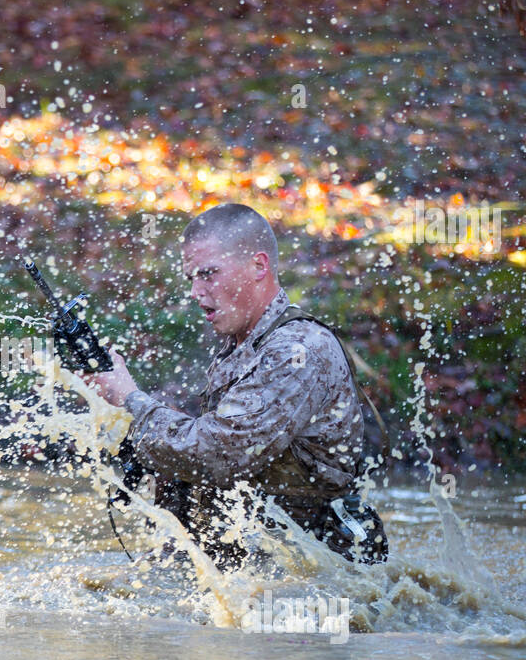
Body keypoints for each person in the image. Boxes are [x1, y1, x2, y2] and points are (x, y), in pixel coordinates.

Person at [86, 203, 387, 569]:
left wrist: (130, 399)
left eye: (208, 274)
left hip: (310, 579)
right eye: (191, 279)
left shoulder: (298, 350)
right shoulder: (244, 344)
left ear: (259, 266)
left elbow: (218, 452)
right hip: (254, 565)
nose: (196, 292)